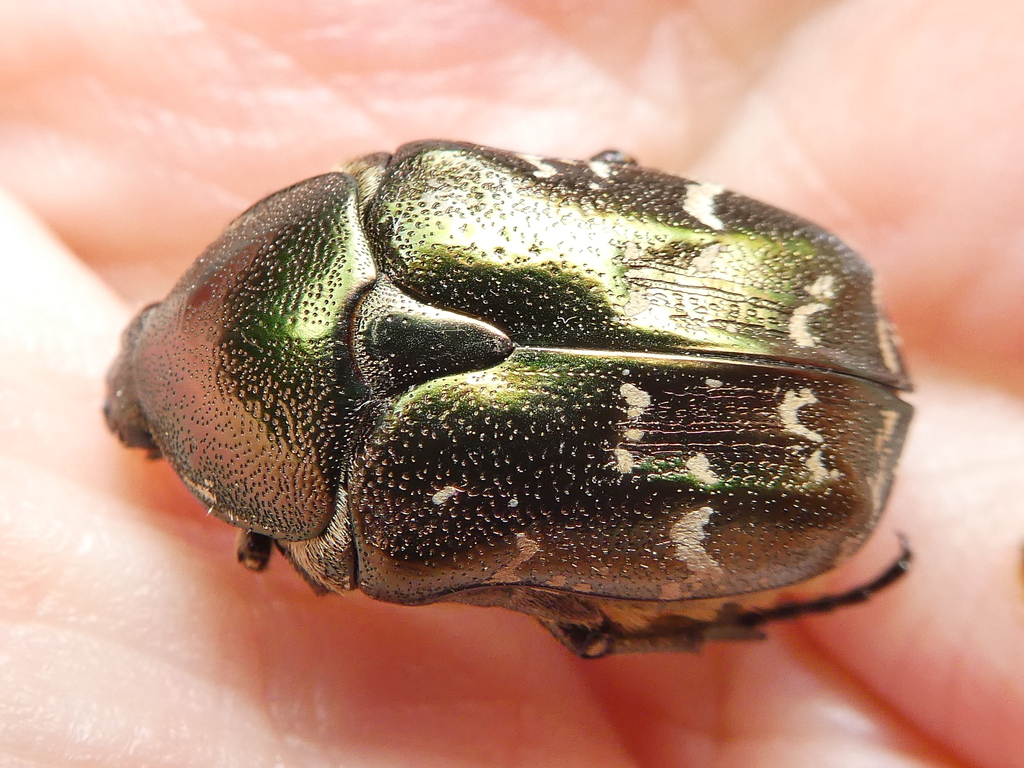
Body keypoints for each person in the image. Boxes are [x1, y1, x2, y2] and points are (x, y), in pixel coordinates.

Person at [0, 2, 1021, 765]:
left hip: (795, 477)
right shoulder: (411, 197)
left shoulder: (383, 530)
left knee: (577, 624)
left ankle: (735, 626)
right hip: (798, 301)